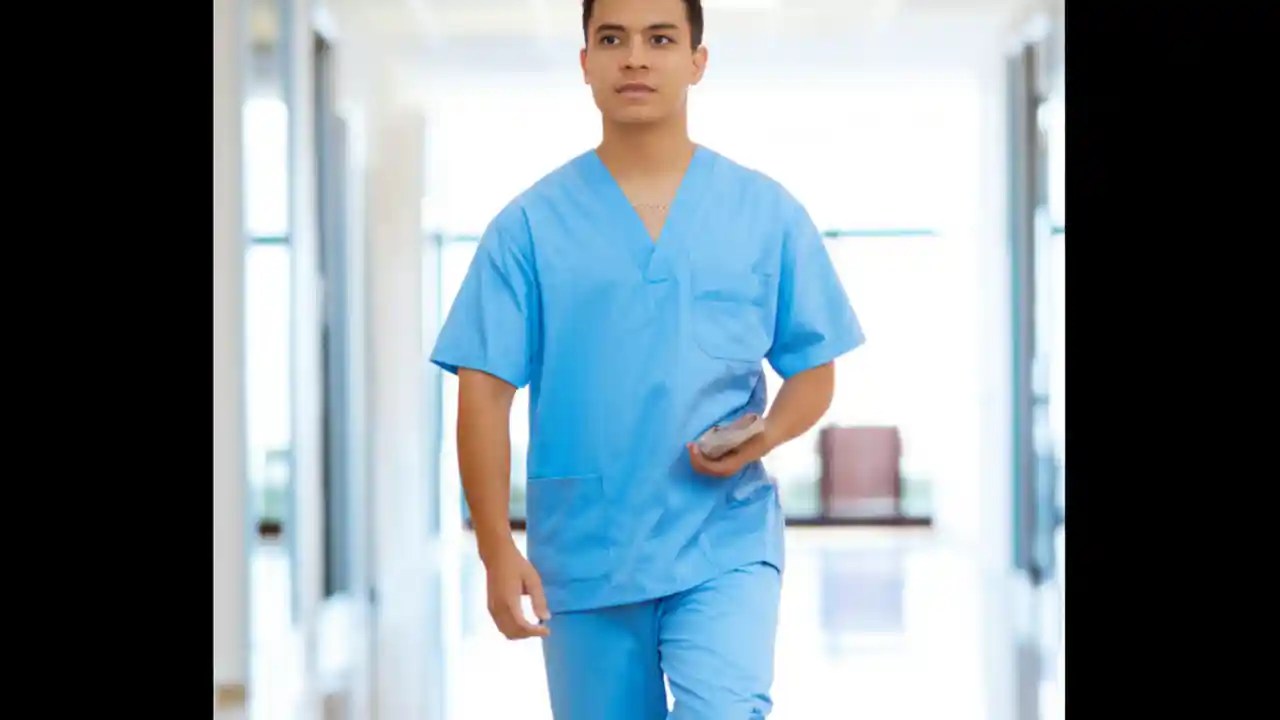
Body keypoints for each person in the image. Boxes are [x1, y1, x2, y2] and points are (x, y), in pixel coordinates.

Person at [429, 0, 864, 716]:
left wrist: (768, 432)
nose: (635, 57)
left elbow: (814, 368)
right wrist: (494, 550)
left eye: (660, 38)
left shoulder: (764, 212)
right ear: (586, 64)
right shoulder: (529, 228)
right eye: (612, 39)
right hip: (587, 548)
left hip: (725, 533)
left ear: (697, 60)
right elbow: (482, 394)